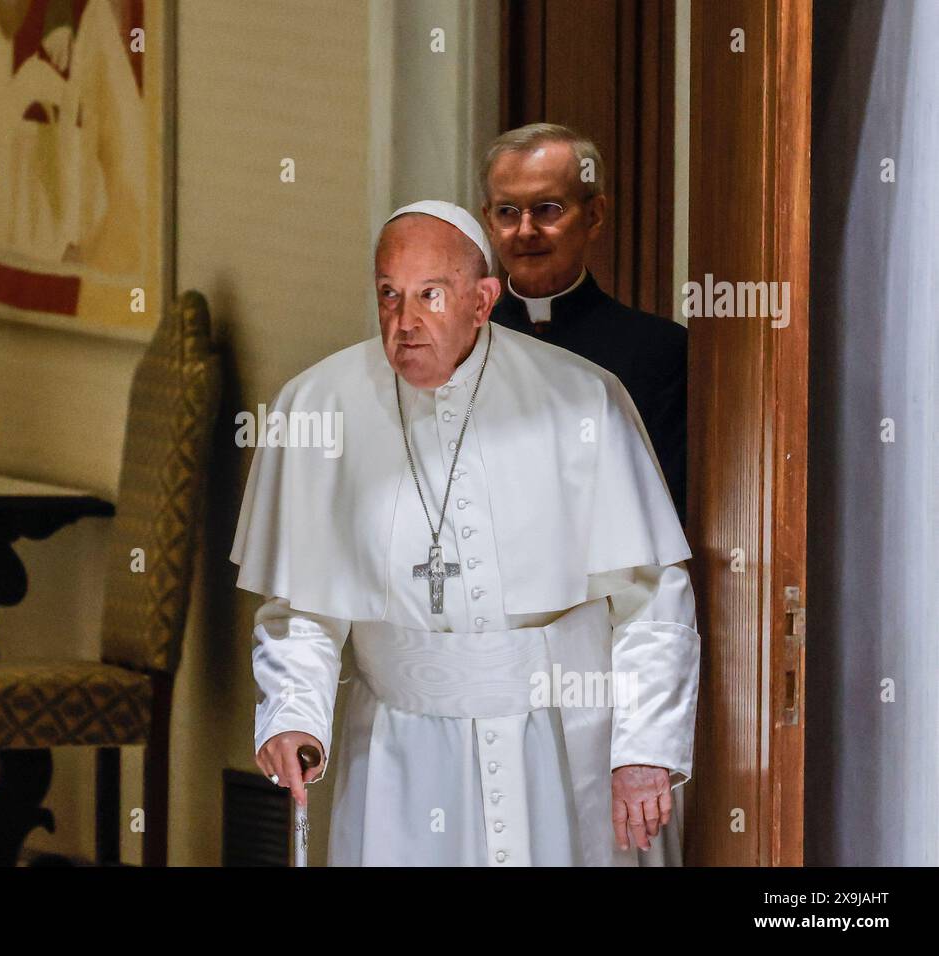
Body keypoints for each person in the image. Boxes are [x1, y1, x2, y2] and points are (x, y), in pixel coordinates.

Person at [232, 200, 700, 866]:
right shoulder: (318, 407)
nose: (404, 322)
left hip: (564, 748)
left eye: (430, 295)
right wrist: (295, 717)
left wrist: (645, 753)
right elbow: (301, 607)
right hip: (396, 753)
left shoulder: (580, 400)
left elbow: (652, 597)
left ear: (482, 301)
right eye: (389, 296)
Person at [482, 123, 687, 525]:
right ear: (489, 221)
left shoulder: (659, 352)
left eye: (547, 209)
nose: (525, 231)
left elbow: (667, 515)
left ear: (594, 216)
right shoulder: (461, 347)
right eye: (508, 212)